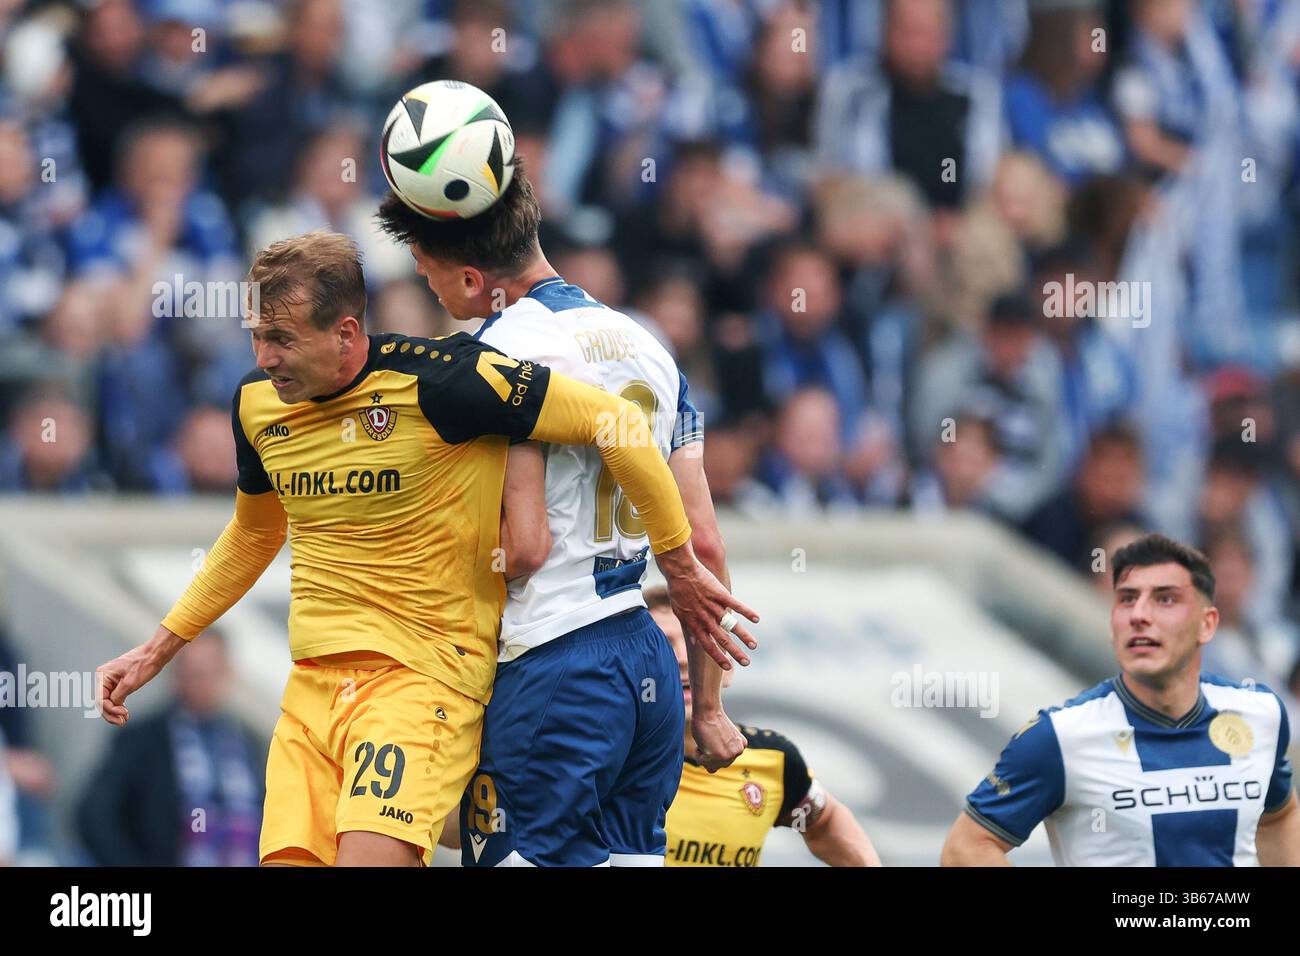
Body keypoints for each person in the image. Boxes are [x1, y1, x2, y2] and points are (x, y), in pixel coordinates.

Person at [94, 228, 755, 867]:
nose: (264, 358)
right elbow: (253, 534)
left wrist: (678, 565)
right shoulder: (257, 406)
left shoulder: (444, 382)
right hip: (311, 693)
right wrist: (158, 648)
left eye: (282, 339)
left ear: (346, 333)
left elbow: (613, 421)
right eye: (257, 337)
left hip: (420, 681)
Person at [376, 165, 755, 867]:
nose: (429, 290)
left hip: (554, 663)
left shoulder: (505, 353)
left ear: (468, 279)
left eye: (428, 274)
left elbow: (523, 549)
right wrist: (706, 706)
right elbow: (702, 544)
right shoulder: (650, 347)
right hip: (645, 666)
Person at [941, 534, 1300, 866]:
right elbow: (966, 847)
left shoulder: (1259, 714)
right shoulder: (1060, 736)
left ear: (1206, 624)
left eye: (1165, 599)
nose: (1140, 615)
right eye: (1127, 599)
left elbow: (1280, 816)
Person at [644, 587, 880, 867]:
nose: (683, 658)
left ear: (727, 663)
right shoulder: (608, 758)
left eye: (696, 642)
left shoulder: (773, 759)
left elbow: (825, 821)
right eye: (663, 644)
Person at [77, 634, 264, 866]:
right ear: (177, 677)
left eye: (213, 673)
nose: (205, 683)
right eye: (196, 674)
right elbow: (94, 815)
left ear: (228, 673)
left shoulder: (249, 745)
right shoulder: (143, 739)